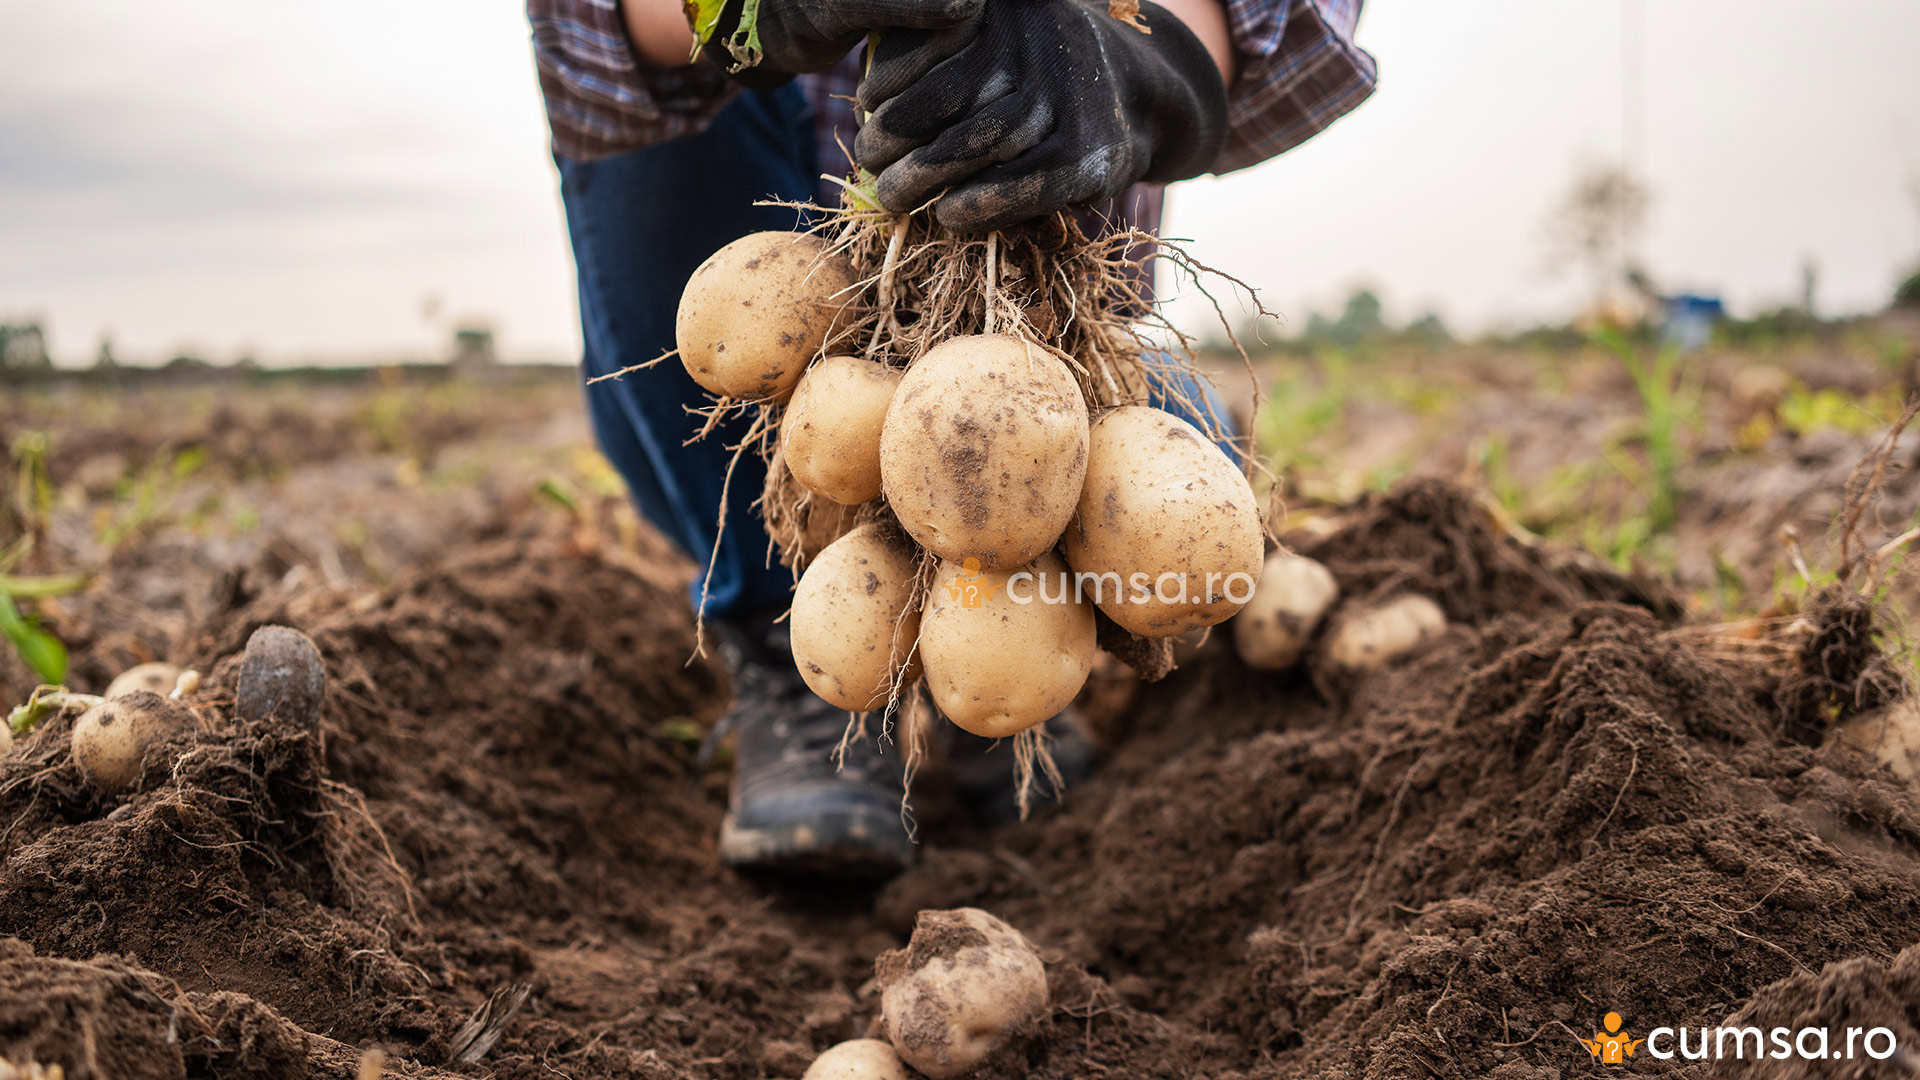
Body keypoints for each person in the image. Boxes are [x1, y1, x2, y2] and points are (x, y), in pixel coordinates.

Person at [526, 0, 1375, 874]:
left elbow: (1284, 20)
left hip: (1065, 328)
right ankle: (779, 633)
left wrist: (1135, 58)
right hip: (822, 275)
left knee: (1164, 483)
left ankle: (991, 654)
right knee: (903, 454)